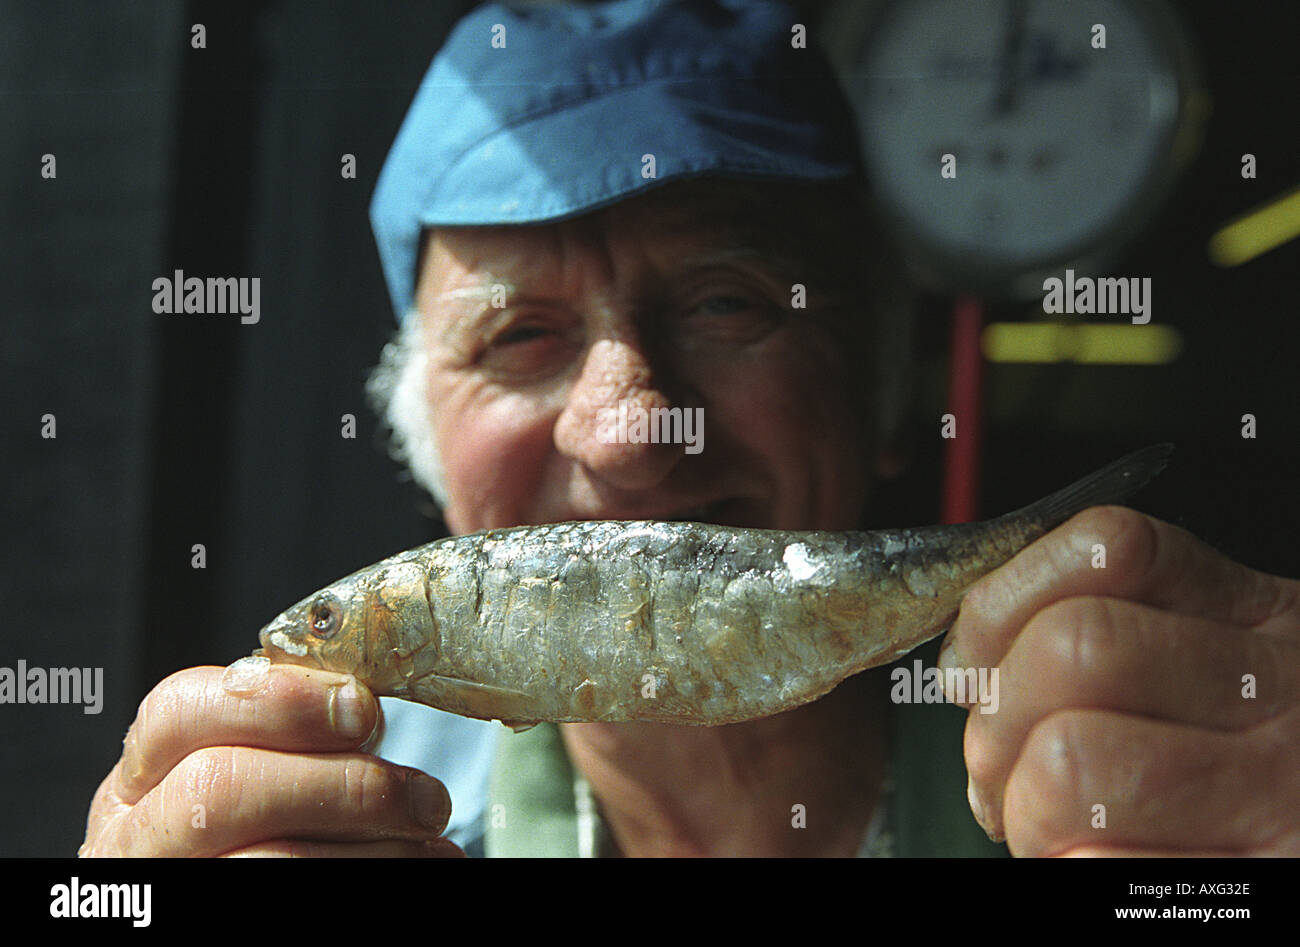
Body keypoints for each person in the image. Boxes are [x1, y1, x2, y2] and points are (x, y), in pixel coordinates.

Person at [81, 0, 1299, 858]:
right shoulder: (337, 810)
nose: (627, 430)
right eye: (519, 339)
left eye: (728, 303)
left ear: (882, 391)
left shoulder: (1157, 760)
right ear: (430, 457)